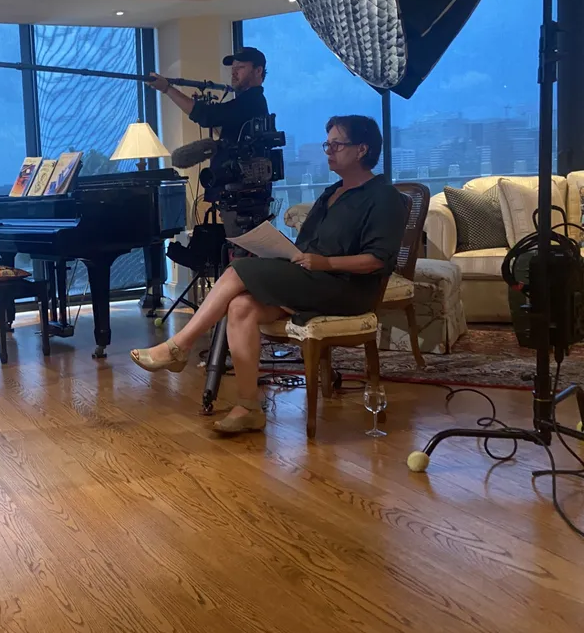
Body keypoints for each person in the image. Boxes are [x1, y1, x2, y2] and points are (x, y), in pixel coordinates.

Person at [129, 115, 408, 434]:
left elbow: (377, 261)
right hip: (314, 281)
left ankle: (179, 346)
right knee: (240, 307)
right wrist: (281, 252)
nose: (328, 150)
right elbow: (307, 247)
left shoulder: (383, 196)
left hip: (347, 289)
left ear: (362, 149)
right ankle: (249, 407)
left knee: (237, 269)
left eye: (336, 144)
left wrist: (324, 264)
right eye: (326, 143)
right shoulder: (332, 192)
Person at [147, 47, 269, 203]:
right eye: (233, 68)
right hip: (235, 193)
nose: (234, 73)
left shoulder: (250, 101)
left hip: (242, 195)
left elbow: (206, 116)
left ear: (258, 71)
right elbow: (226, 130)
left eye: (240, 68)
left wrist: (167, 89)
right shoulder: (249, 102)